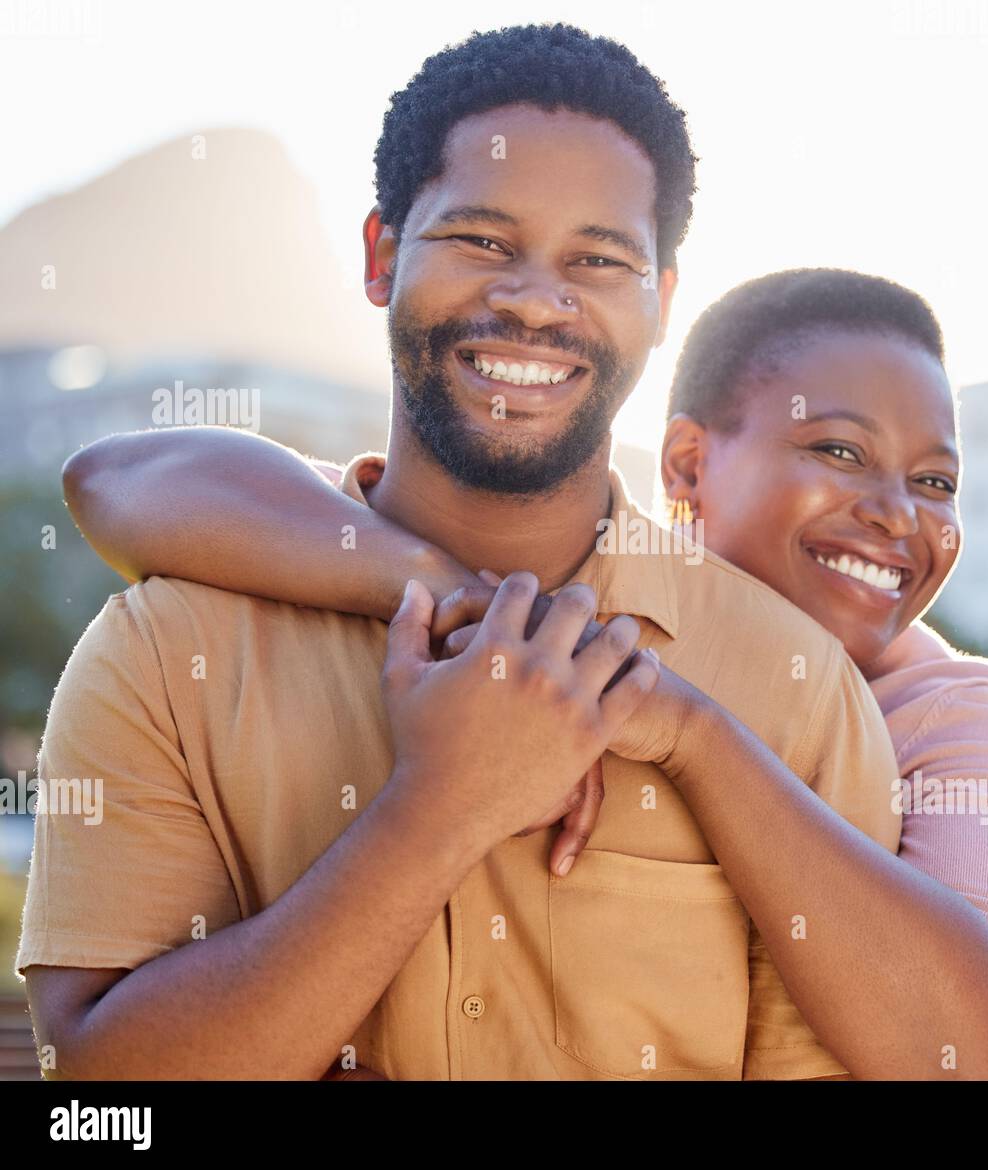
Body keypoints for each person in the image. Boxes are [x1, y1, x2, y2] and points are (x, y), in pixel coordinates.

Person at [17, 26, 909, 1082]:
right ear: (381, 257)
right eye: (482, 240)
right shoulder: (166, 652)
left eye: (599, 258)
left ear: (662, 303)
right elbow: (107, 1104)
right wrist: (441, 809)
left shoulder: (792, 689)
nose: (535, 299)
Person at [41, 268, 988, 1078]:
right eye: (841, 453)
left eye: (935, 481)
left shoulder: (953, 716)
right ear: (683, 469)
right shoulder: (501, 602)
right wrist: (470, 604)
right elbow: (123, 479)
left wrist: (694, 733)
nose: (898, 511)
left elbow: (963, 1052)